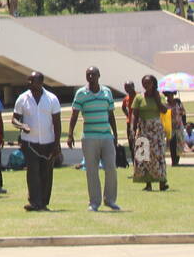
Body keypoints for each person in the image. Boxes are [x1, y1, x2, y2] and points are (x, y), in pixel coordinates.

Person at [66, 66, 121, 211]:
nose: (90, 77)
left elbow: (111, 115)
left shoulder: (107, 92)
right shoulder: (81, 93)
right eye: (88, 74)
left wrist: (115, 134)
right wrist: (70, 134)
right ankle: (94, 202)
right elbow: (74, 115)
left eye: (93, 74)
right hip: (89, 137)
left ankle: (110, 200)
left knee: (111, 168)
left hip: (106, 136)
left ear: (99, 75)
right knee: (91, 170)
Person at [12, 71, 62, 211]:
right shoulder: (22, 98)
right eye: (28, 81)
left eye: (32, 81)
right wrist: (22, 125)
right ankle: (34, 202)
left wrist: (57, 144)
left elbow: (57, 123)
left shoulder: (52, 99)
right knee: (33, 173)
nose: (29, 83)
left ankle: (43, 203)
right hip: (30, 142)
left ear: (40, 82)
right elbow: (14, 119)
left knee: (46, 173)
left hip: (48, 142)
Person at [129, 75, 168, 191]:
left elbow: (164, 110)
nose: (146, 85)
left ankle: (162, 182)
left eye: (149, 83)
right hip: (143, 129)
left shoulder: (160, 96)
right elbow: (135, 114)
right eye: (144, 83)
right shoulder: (139, 98)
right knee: (144, 156)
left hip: (156, 130)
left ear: (153, 84)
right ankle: (148, 184)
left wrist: (157, 99)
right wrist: (133, 128)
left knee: (158, 155)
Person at [167, 94, 186, 166]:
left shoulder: (178, 103)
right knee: (172, 144)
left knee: (179, 144)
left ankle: (177, 160)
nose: (169, 97)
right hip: (171, 127)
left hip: (179, 126)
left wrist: (181, 112)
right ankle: (173, 161)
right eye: (168, 96)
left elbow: (183, 113)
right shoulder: (166, 105)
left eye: (170, 95)